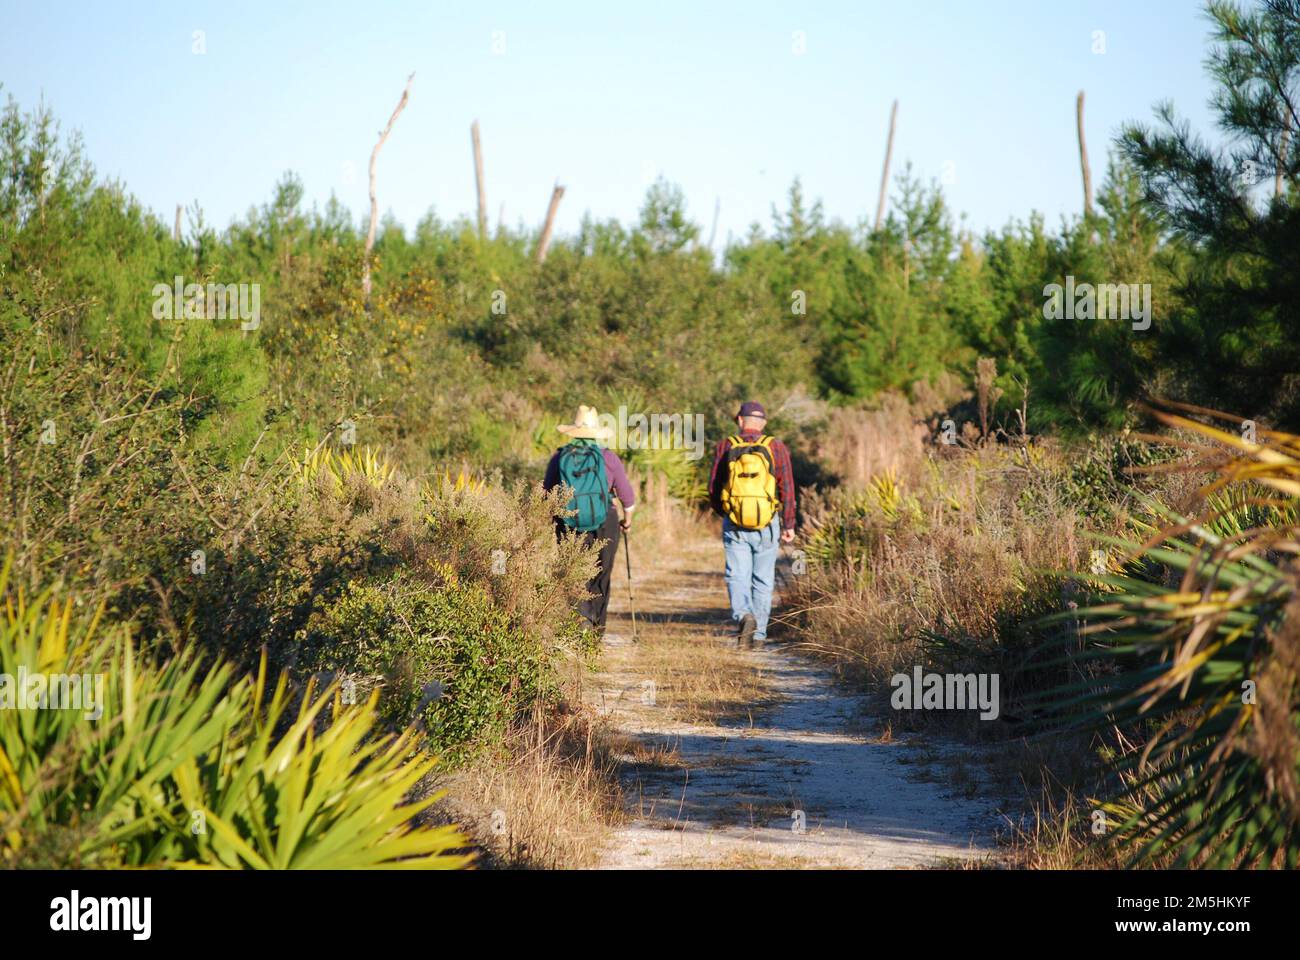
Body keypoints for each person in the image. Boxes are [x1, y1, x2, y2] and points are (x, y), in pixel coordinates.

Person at [708, 400, 796, 648]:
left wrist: (725, 512)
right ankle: (758, 636)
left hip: (735, 522)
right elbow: (786, 487)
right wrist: (788, 523)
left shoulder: (726, 446)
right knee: (763, 579)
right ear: (764, 423)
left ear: (739, 420)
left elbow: (714, 487)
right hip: (767, 523)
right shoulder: (776, 446)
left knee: (737, 575)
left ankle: (743, 616)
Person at [543, 405, 636, 634]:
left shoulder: (560, 458)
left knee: (574, 572)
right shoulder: (608, 458)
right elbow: (627, 496)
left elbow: (547, 494)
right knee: (601, 573)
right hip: (605, 520)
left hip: (569, 523)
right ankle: (596, 629)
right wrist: (628, 519)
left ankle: (579, 622)